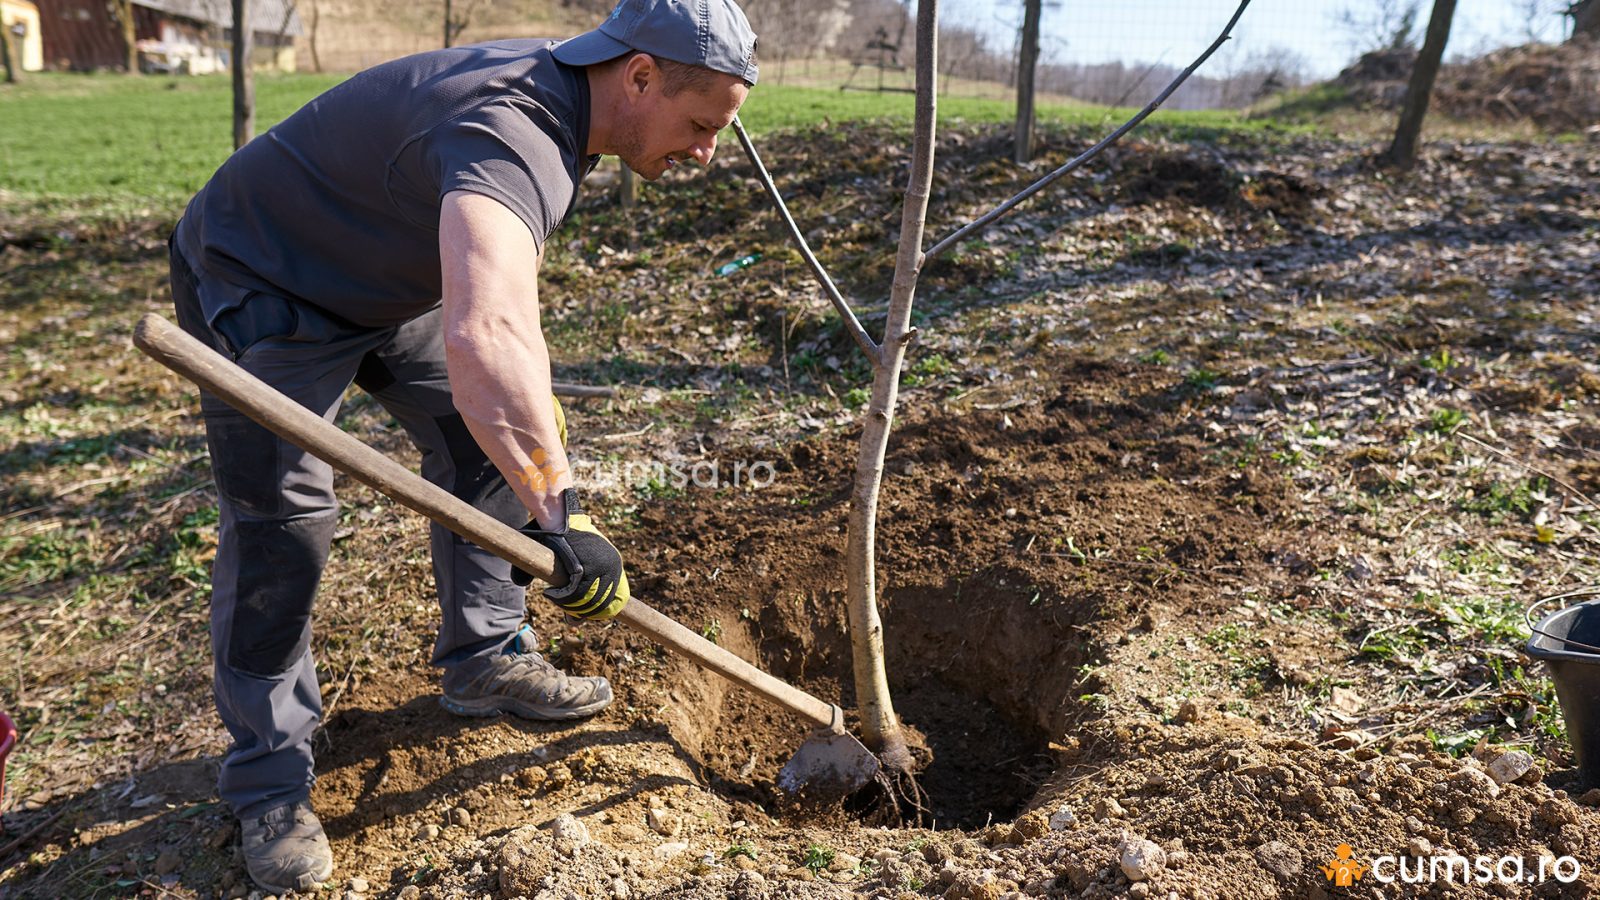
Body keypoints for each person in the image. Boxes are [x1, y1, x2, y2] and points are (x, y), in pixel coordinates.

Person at [165, 0, 757, 892]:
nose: (707, 151)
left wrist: (545, 484)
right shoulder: (511, 130)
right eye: (702, 125)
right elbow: (489, 335)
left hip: (382, 282)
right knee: (283, 525)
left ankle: (484, 658)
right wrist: (564, 516)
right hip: (263, 277)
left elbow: (509, 320)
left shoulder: (572, 110)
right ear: (639, 76)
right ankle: (268, 781)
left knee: (489, 448)